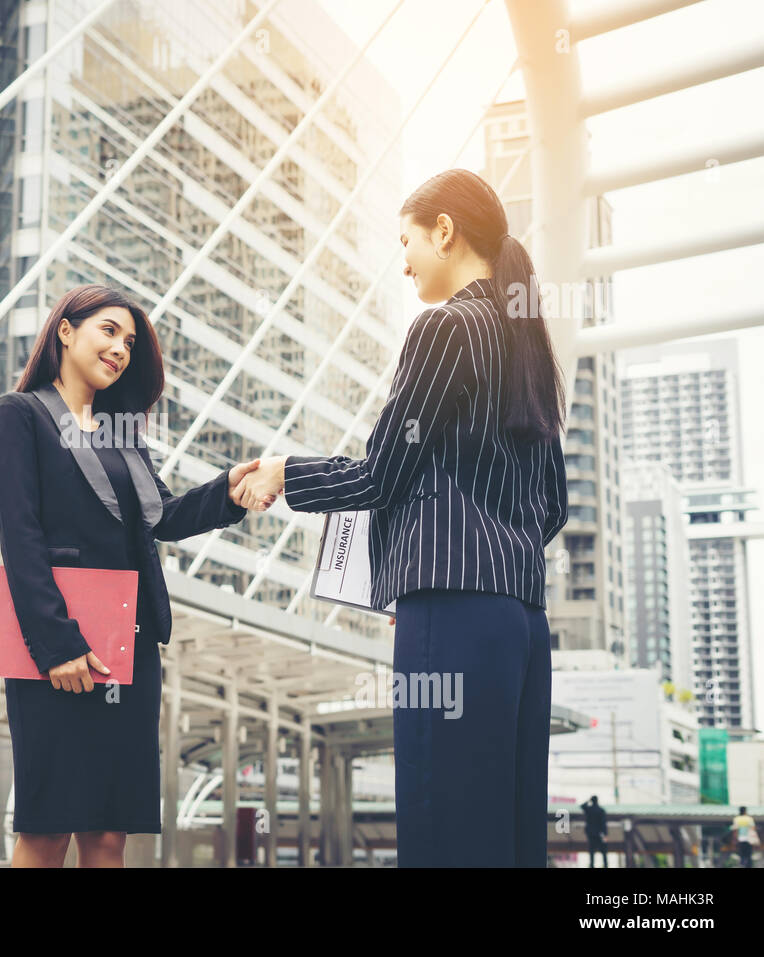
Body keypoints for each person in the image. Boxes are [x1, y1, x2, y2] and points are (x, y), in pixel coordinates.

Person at [235, 169, 569, 867]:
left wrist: (284, 472)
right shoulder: (527, 347)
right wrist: (461, 560)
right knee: (506, 837)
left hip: (451, 613)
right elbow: (554, 507)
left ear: (445, 229)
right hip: (522, 622)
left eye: (407, 240)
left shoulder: (444, 329)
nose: (405, 259)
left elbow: (381, 473)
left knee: (440, 823)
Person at [0, 283, 273, 868]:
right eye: (108, 331)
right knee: (48, 827)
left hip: (127, 649)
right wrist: (56, 645)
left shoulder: (123, 438)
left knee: (109, 833)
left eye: (130, 341)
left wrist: (231, 492)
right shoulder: (21, 416)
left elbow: (163, 517)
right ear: (65, 331)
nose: (121, 348)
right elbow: (21, 538)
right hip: (58, 652)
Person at [583, 796, 608, 868]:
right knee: (603, 851)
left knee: (592, 851)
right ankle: (606, 865)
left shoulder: (589, 809)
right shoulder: (601, 810)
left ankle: (591, 865)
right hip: (600, 834)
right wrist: (605, 835)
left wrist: (588, 800)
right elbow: (603, 824)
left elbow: (582, 806)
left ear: (592, 801)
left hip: (591, 834)